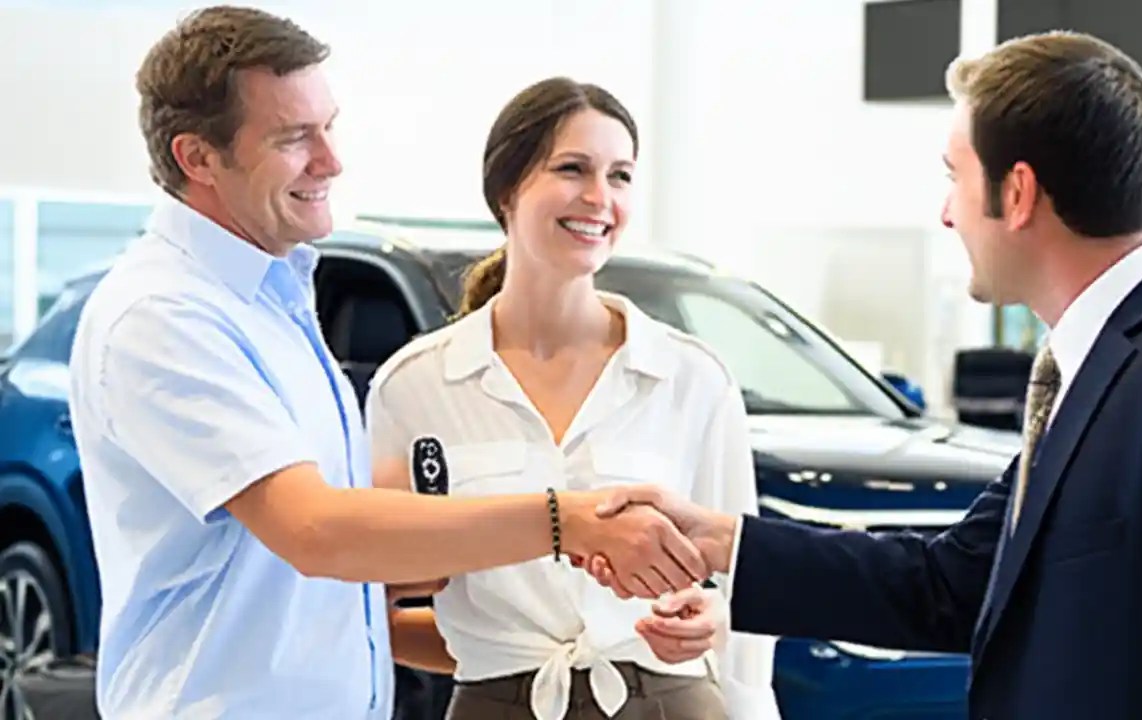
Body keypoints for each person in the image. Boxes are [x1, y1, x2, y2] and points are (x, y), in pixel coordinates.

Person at [586, 30, 1142, 719]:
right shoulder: (1095, 367)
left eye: (955, 176)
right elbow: (952, 583)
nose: (947, 213)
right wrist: (723, 541)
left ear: (1017, 193)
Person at [67, 8, 705, 719]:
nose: (331, 161)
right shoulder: (166, 316)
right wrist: (567, 521)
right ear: (198, 158)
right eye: (293, 138)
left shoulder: (272, 304)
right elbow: (316, 532)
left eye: (328, 127)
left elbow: (362, 592)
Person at [364, 76, 780, 720]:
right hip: (496, 701)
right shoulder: (413, 387)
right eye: (572, 169)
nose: (599, 197)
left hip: (671, 699)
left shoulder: (691, 377)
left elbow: (742, 578)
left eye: (620, 176)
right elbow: (376, 590)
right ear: (507, 190)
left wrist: (718, 620)